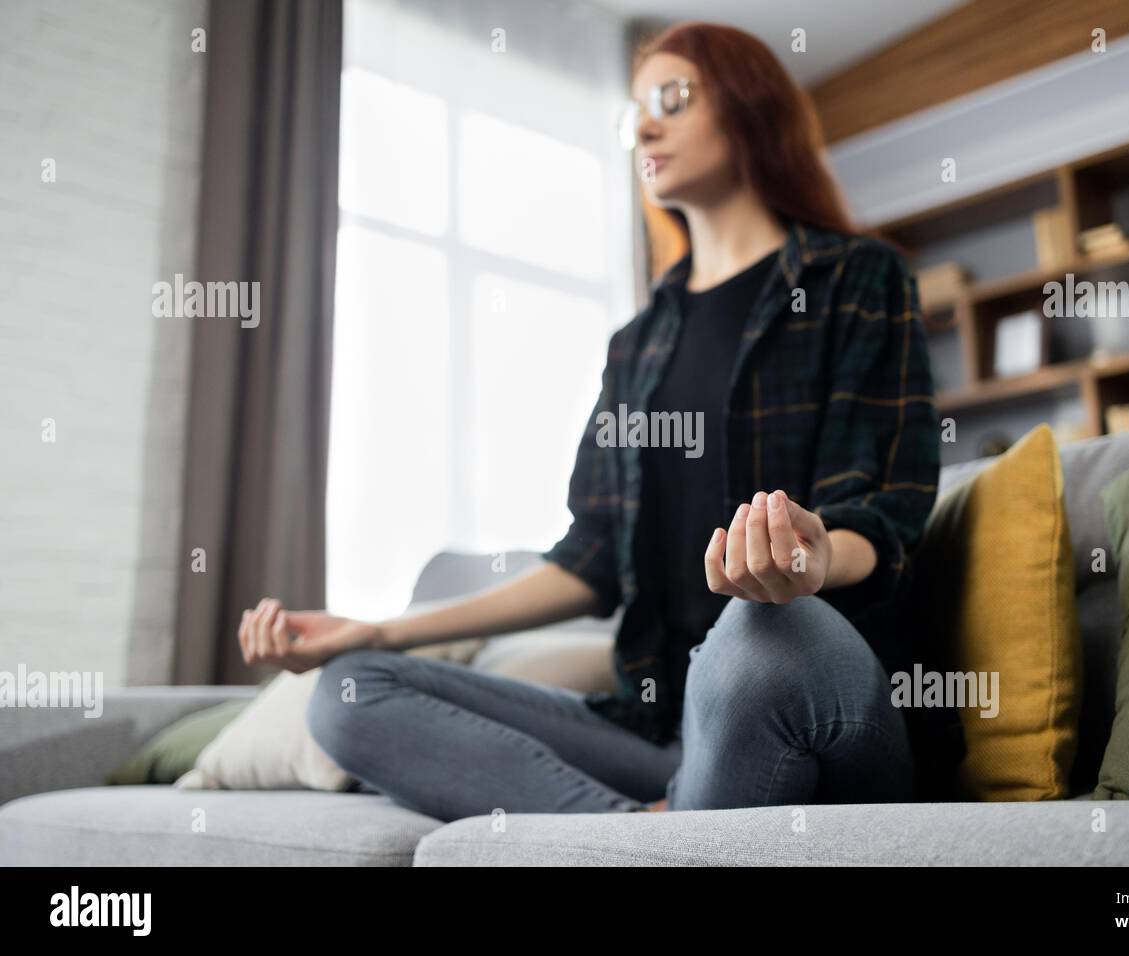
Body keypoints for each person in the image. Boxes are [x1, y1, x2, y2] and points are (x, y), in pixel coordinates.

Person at [239, 21, 940, 821]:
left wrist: (811, 564)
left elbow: (888, 517)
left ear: (752, 110)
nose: (644, 127)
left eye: (673, 100)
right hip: (655, 726)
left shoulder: (859, 279)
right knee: (350, 690)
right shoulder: (636, 346)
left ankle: (665, 818)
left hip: (804, 689)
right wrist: (377, 631)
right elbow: (589, 558)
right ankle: (639, 832)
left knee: (757, 632)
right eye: (634, 112)